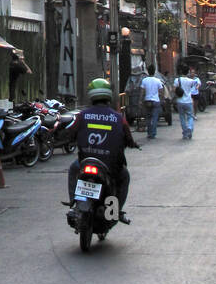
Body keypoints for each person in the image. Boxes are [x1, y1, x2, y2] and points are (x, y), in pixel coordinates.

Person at [67, 78, 139, 222]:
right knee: (124, 176)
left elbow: (70, 133)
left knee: (73, 169)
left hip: (85, 162)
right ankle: (115, 212)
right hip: (111, 166)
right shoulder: (118, 118)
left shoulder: (82, 115)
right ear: (109, 96)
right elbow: (128, 138)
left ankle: (74, 203)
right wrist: (132, 144)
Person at [141, 64, 166, 138]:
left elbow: (142, 92)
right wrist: (162, 100)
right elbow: (161, 92)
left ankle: (149, 133)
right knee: (155, 117)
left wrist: (140, 100)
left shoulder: (144, 80)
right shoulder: (158, 81)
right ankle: (153, 133)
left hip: (147, 101)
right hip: (156, 101)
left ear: (148, 72)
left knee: (148, 117)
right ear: (154, 72)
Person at [173, 65, 195, 140]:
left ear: (181, 71)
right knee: (190, 116)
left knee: (182, 117)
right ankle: (190, 127)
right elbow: (192, 88)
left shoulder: (177, 80)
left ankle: (185, 133)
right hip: (188, 101)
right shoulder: (191, 81)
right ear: (188, 72)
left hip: (180, 101)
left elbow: (174, 90)